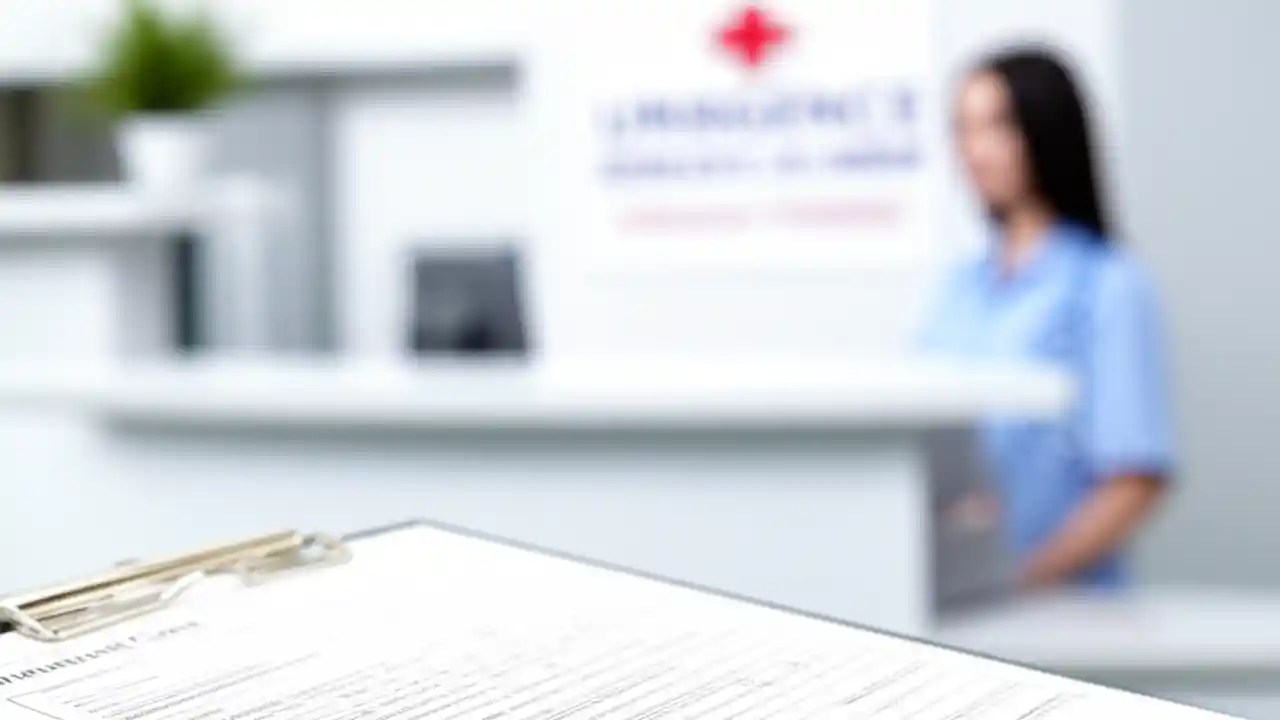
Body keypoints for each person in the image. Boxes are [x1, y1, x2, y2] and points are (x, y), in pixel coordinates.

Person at [921, 47, 1173, 589]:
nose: (974, 152)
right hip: (956, 608)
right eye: (963, 130)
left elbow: (1135, 477)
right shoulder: (957, 289)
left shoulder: (1107, 285)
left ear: (1045, 130)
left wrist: (1023, 582)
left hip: (1060, 612)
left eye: (996, 127)